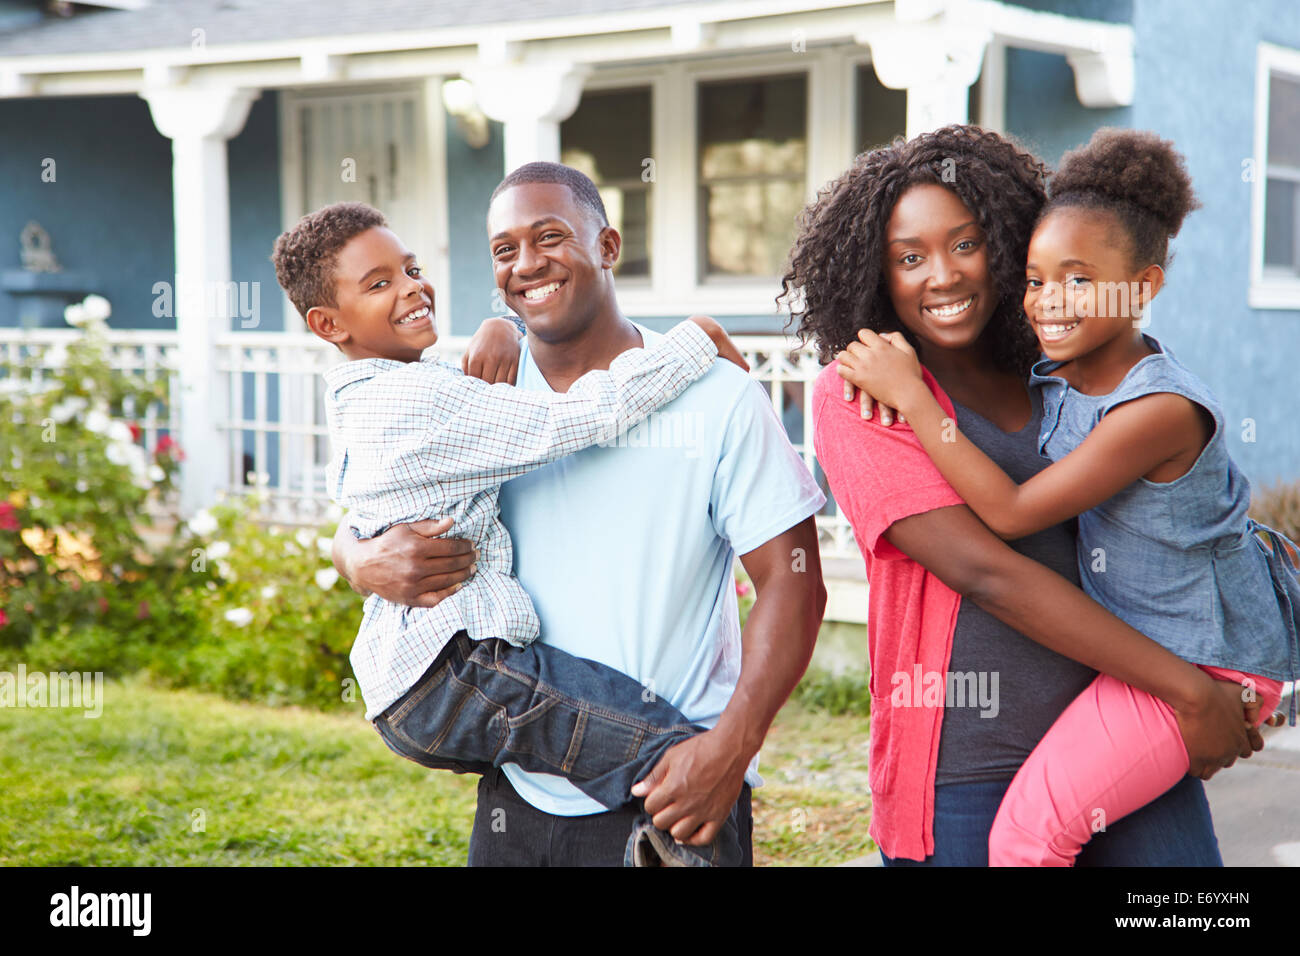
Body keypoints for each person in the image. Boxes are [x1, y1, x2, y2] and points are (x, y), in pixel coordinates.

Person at [786, 125, 1269, 866]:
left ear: (1010, 243)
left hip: (1118, 731)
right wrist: (1194, 693)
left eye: (967, 243)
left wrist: (1200, 685)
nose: (941, 276)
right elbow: (987, 572)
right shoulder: (862, 396)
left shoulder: (1064, 369)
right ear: (875, 274)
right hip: (969, 773)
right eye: (909, 258)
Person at [332, 163, 828, 866]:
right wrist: (351, 554)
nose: (527, 264)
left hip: (678, 788)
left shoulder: (717, 395)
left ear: (608, 246)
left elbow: (795, 584)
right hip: (521, 794)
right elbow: (379, 487)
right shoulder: (477, 392)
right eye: (505, 250)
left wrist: (730, 751)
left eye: (551, 237)